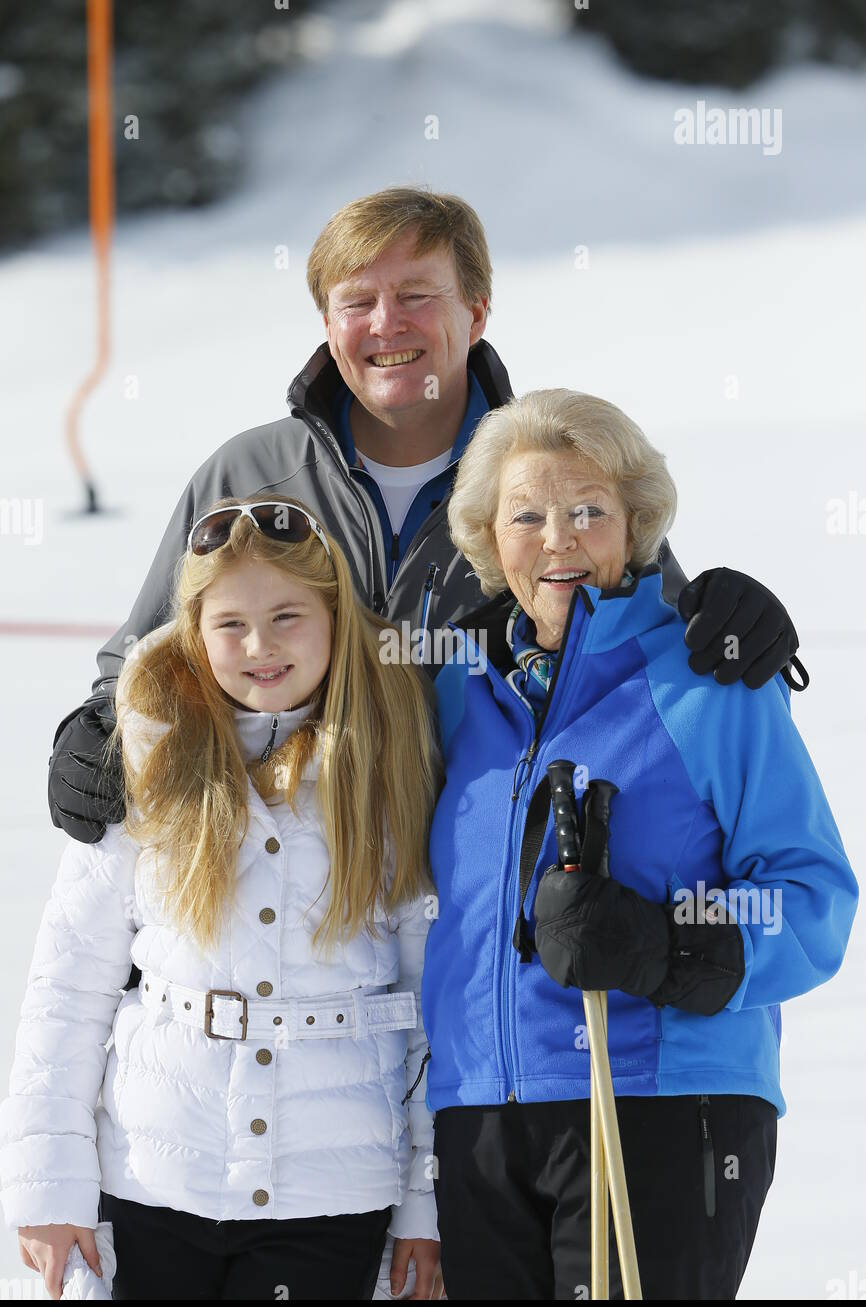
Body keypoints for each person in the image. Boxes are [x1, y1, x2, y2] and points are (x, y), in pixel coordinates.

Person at [48, 187, 806, 852]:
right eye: (358, 301)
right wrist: (90, 732)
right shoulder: (245, 476)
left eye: (416, 295)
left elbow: (651, 637)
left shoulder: (548, 467)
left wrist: (733, 616)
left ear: (475, 312)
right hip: (283, 903)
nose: (387, 324)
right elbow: (145, 656)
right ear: (327, 321)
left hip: (483, 892)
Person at [421, 389, 858, 1300]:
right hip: (480, 1118)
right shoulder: (458, 698)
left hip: (661, 1105)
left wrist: (664, 946)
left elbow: (812, 897)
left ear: (635, 526)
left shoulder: (713, 682)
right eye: (527, 515)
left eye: (589, 511)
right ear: (486, 537)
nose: (559, 539)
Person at [0, 497, 444, 1300]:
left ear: (337, 620)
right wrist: (49, 1186)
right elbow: (67, 986)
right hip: (152, 1180)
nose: (260, 647)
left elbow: (431, 1006)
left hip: (332, 1199)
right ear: (194, 634)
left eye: (287, 617)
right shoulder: (142, 761)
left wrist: (426, 1201)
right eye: (231, 624)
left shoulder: (388, 777)